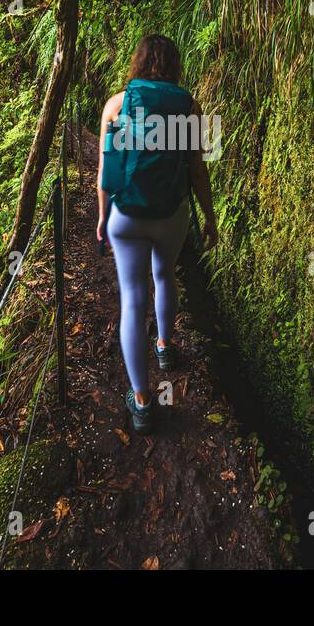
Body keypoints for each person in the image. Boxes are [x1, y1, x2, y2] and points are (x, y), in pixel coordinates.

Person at [96, 34, 218, 434]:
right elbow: (198, 171)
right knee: (165, 275)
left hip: (126, 216)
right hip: (171, 214)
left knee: (133, 299)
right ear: (174, 66)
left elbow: (104, 175)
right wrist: (209, 217)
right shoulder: (189, 107)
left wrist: (102, 218)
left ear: (138, 63)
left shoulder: (116, 105)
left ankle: (143, 401)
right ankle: (165, 347)